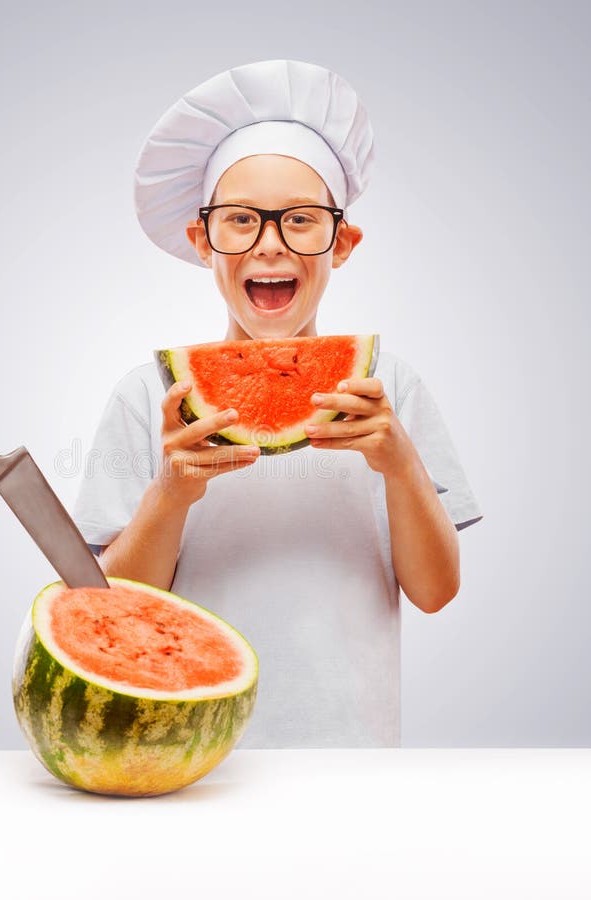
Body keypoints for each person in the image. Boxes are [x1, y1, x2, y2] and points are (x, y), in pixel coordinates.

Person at [72, 59, 483, 748]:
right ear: (202, 240)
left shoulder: (389, 390)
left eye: (299, 220)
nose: (270, 243)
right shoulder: (151, 395)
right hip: (188, 747)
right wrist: (170, 494)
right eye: (240, 221)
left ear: (341, 242)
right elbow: (112, 613)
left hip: (353, 746)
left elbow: (435, 593)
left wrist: (401, 465)